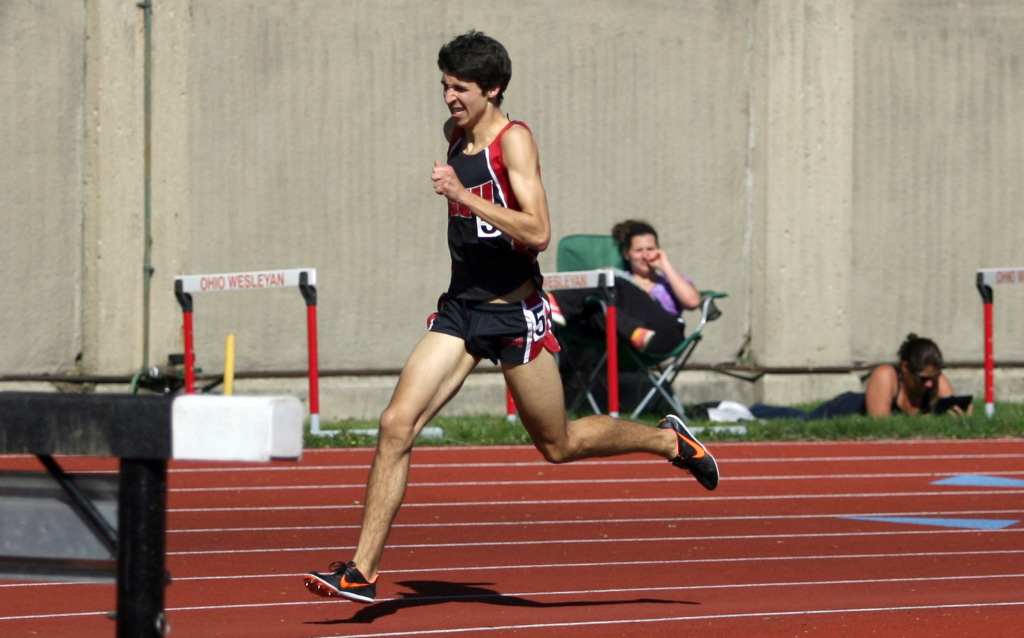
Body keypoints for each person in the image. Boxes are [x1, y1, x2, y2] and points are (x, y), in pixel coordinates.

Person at [302, 31, 719, 605]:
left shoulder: (514, 141)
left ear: (492, 89)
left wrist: (462, 196)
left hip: (515, 315)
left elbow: (539, 231)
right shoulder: (455, 135)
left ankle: (667, 442)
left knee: (559, 444)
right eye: (445, 85)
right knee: (396, 424)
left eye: (461, 88)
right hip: (459, 309)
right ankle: (361, 570)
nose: (449, 97)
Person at [549, 219, 702, 355]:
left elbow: (693, 302)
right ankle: (634, 332)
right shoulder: (623, 279)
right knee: (596, 306)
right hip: (625, 341)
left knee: (609, 279)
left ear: (659, 250)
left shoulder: (669, 280)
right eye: (639, 250)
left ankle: (552, 301)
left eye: (651, 249)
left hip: (666, 335)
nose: (645, 256)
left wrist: (665, 265)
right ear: (627, 254)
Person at [749, 333, 971, 420]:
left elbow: (952, 411)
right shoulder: (886, 375)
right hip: (843, 408)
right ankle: (755, 410)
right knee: (800, 419)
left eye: (934, 377)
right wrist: (927, 421)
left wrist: (960, 414)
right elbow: (880, 425)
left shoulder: (935, 382)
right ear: (905, 368)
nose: (930, 383)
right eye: (922, 378)